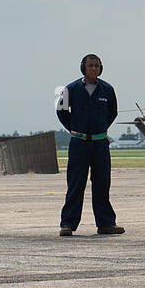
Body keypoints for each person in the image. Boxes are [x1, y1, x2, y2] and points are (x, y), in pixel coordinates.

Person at [56, 54, 124, 236]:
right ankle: (68, 224)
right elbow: (61, 111)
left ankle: (106, 223)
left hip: (100, 144)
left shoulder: (108, 90)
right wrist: (75, 129)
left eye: (97, 65)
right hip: (79, 144)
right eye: (90, 65)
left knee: (102, 183)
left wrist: (100, 128)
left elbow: (113, 112)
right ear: (83, 68)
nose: (93, 68)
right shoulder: (70, 89)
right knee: (76, 184)